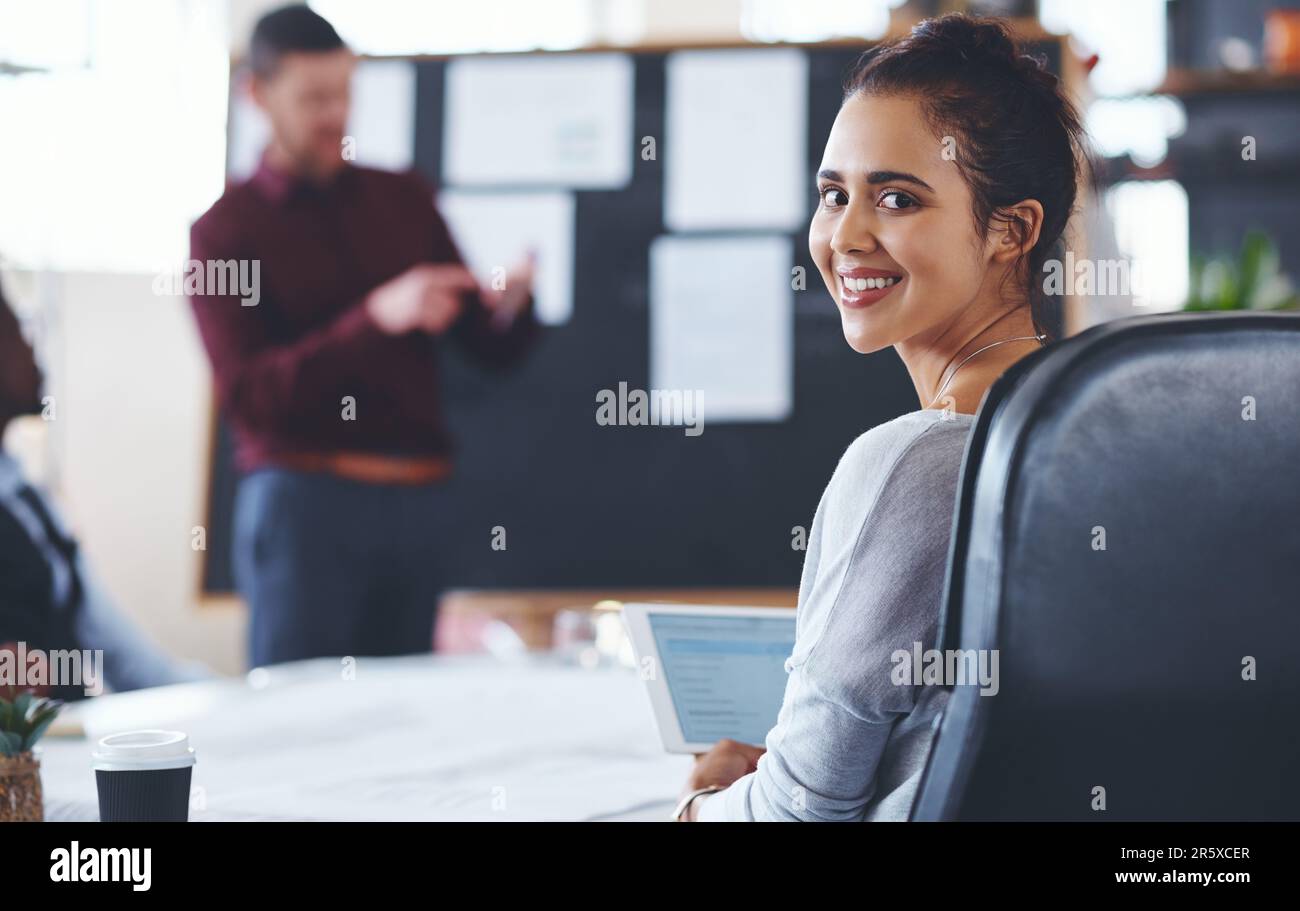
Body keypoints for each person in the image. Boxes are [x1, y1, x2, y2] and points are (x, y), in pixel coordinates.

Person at [676, 15, 1088, 821]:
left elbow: (799, 815)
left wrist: (697, 809)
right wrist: (782, 767)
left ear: (1014, 229)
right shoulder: (1100, 433)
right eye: (833, 195)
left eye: (896, 198)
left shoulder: (923, 457)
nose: (845, 237)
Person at [188, 5, 540, 667]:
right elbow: (249, 396)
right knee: (300, 727)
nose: (335, 114)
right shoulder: (223, 233)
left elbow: (487, 352)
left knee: (401, 731)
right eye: (314, 97)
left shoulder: (402, 197)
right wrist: (375, 319)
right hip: (305, 508)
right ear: (257, 95)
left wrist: (513, 303)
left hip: (419, 503)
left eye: (344, 92)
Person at [0, 282, 210, 701]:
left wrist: (231, 698)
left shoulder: (28, 499)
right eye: (16, 333)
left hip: (73, 743)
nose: (33, 350)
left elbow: (128, 661)